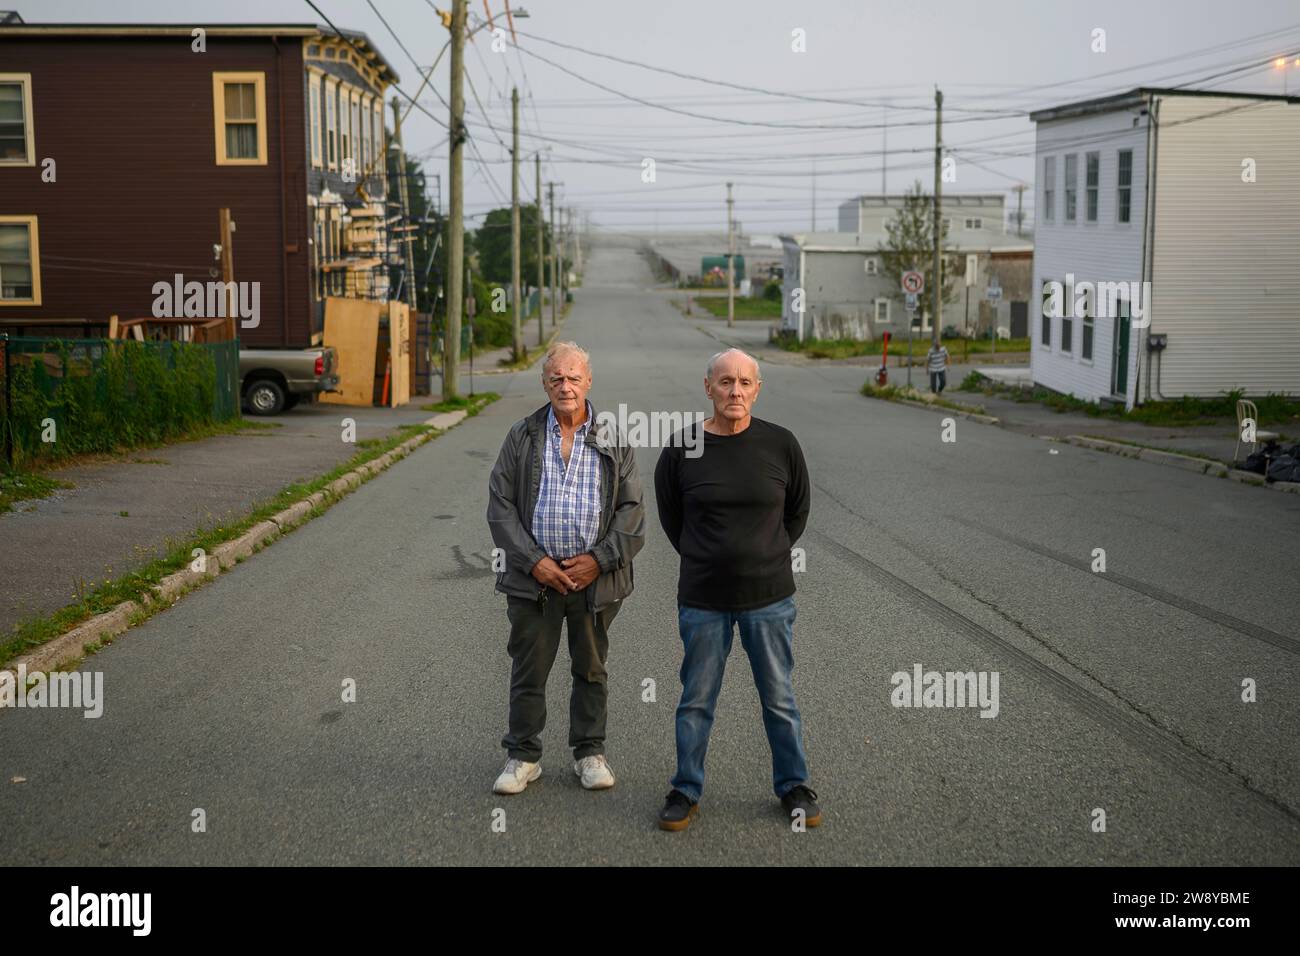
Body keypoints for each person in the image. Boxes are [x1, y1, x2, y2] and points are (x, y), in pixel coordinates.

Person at [653, 348, 820, 831]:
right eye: (725, 382)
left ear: (757, 389)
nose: (735, 392)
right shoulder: (682, 448)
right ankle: (685, 789)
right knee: (696, 700)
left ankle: (794, 785)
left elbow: (797, 511)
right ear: (708, 388)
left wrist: (765, 554)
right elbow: (671, 517)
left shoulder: (781, 444)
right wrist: (707, 557)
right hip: (703, 599)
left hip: (769, 599)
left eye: (745, 383)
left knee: (779, 697)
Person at [486, 342, 645, 795]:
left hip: (593, 580)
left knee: (591, 668)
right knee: (528, 670)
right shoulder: (522, 435)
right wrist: (534, 561)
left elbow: (633, 513)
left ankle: (589, 753)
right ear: (544, 384)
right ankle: (523, 756)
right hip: (533, 580)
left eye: (574, 377)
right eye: (556, 378)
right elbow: (499, 507)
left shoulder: (613, 436)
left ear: (588, 382)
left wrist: (599, 560)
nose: (565, 385)